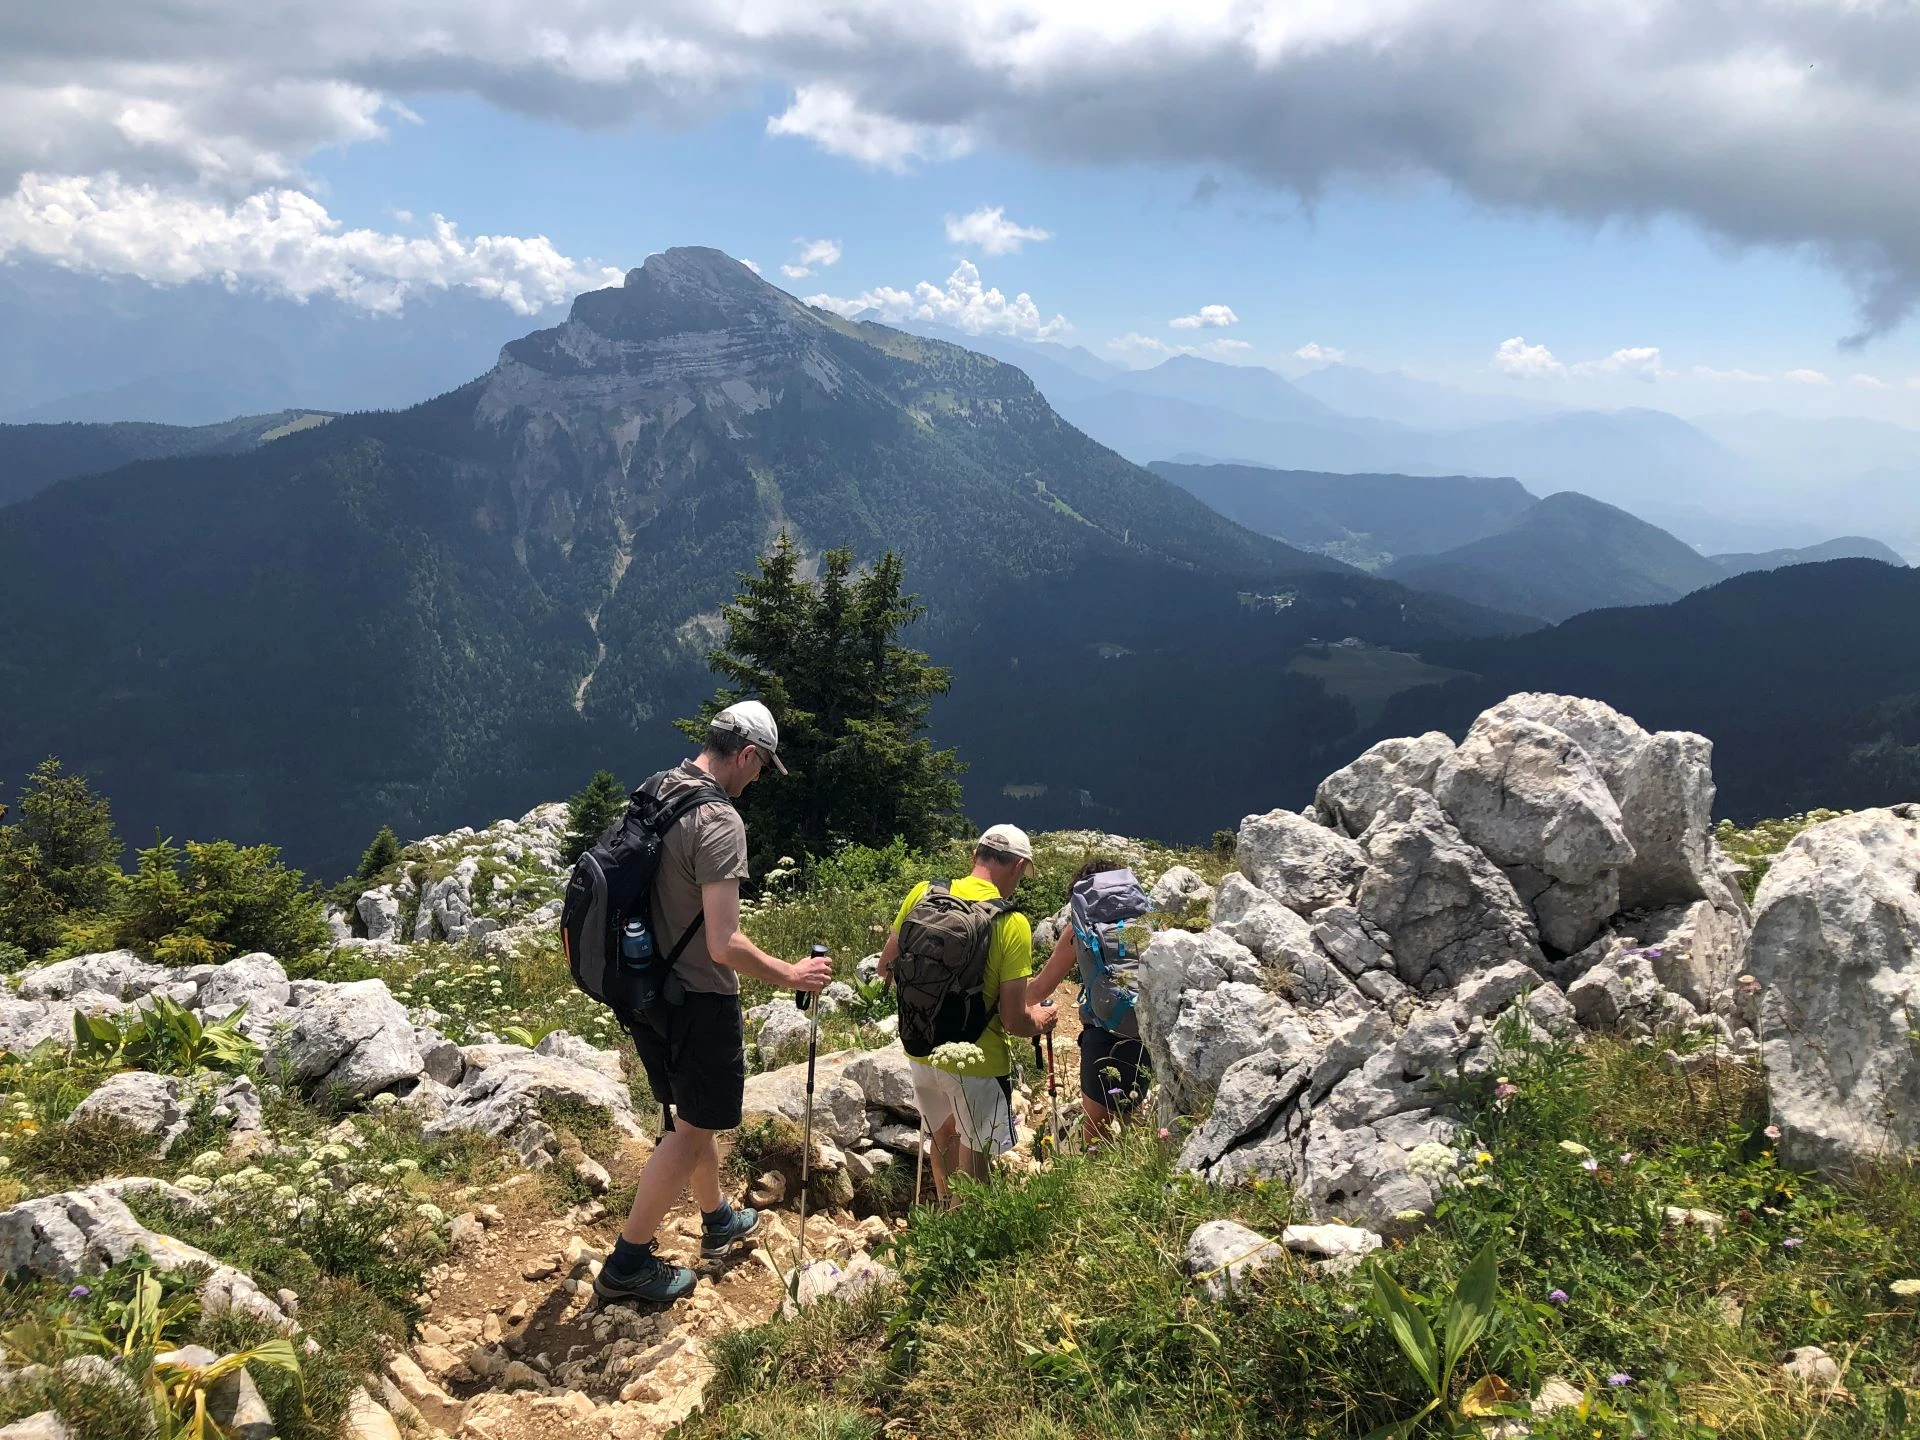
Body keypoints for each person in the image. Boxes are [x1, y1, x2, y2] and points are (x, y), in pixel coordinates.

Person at [593, 700, 832, 1305]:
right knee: (693, 1127)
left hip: (648, 989)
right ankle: (627, 1261)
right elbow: (725, 944)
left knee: (688, 1114)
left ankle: (718, 1216)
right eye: (760, 769)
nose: (756, 782)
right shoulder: (719, 821)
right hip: (697, 996)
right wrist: (791, 974)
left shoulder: (660, 788)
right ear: (746, 754)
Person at [877, 823, 1056, 1205]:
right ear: (1019, 866)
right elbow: (1012, 1019)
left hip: (920, 1046)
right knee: (976, 1163)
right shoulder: (1011, 922)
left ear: (975, 856)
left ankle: (944, 1213)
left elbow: (884, 966)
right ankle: (965, 1240)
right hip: (977, 1059)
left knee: (942, 1137)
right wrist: (1039, 1021)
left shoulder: (923, 893)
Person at [1027, 856, 1152, 1145]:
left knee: (1096, 1128)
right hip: (1146, 1031)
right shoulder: (1143, 920)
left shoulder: (1079, 930)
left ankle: (1094, 1184)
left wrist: (1007, 1002)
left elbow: (1042, 987)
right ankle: (1141, 1173)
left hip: (1103, 1035)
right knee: (1135, 1118)